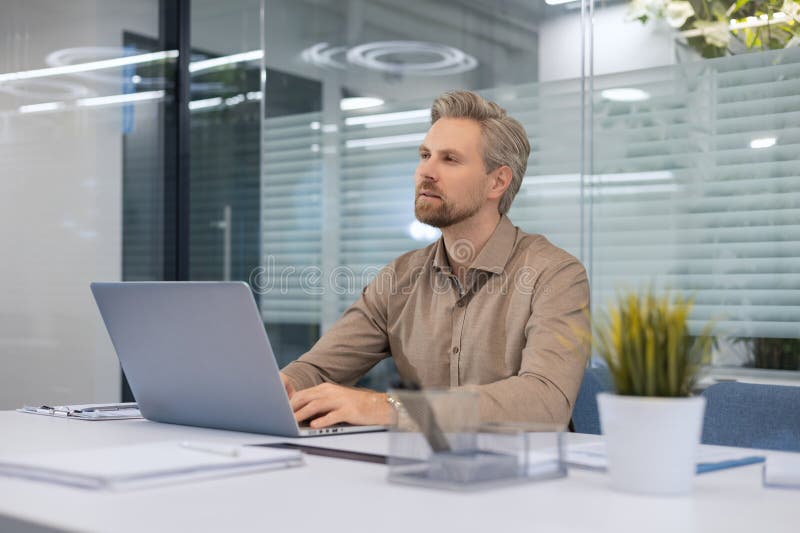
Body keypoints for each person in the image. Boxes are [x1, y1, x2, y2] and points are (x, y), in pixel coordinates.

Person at [280, 90, 590, 429]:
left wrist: (389, 407)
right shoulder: (399, 278)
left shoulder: (555, 275)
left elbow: (546, 401)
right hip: (420, 459)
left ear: (497, 182)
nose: (426, 171)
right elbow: (318, 370)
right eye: (425, 155)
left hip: (525, 461)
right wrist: (281, 386)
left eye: (450, 159)